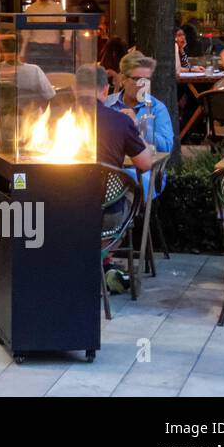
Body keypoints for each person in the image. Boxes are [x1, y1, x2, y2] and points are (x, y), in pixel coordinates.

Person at [78, 64, 154, 294]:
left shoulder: (55, 119)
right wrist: (136, 131)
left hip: (61, 210)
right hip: (105, 215)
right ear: (104, 89)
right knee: (131, 193)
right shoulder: (119, 121)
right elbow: (146, 163)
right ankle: (102, 263)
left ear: (75, 89)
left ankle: (94, 266)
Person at [106, 54, 174, 156]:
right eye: (137, 79)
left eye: (146, 80)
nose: (143, 85)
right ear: (123, 79)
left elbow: (167, 147)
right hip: (111, 167)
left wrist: (139, 127)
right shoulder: (107, 104)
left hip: (143, 170)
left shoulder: (157, 108)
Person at [22, 0, 66, 66]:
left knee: (52, 75)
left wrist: (68, 39)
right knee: (34, 75)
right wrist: (22, 51)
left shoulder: (57, 8)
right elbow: (26, 32)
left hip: (53, 46)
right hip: (35, 46)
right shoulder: (31, 9)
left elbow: (66, 25)